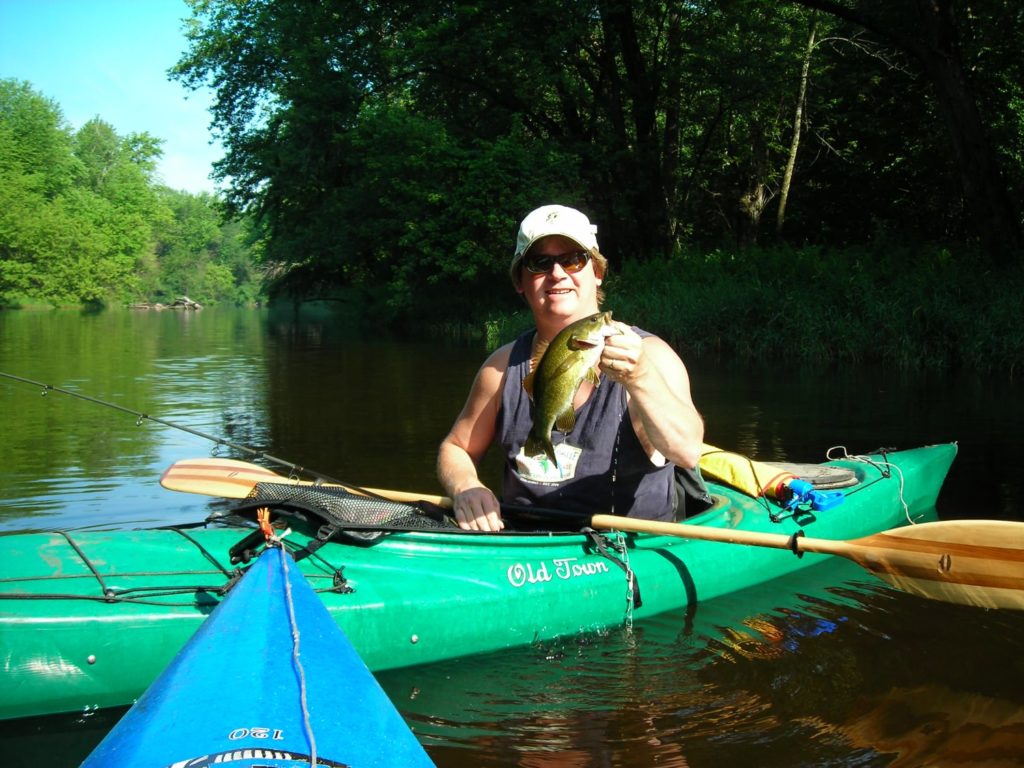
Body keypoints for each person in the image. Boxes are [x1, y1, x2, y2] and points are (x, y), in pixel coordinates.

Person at [437, 204, 705, 531]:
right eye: (540, 263)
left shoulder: (650, 356)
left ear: (598, 272)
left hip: (624, 550)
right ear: (520, 281)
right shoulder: (501, 369)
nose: (557, 273)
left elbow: (687, 452)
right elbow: (456, 447)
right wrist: (466, 486)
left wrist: (641, 378)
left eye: (573, 259)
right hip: (522, 546)